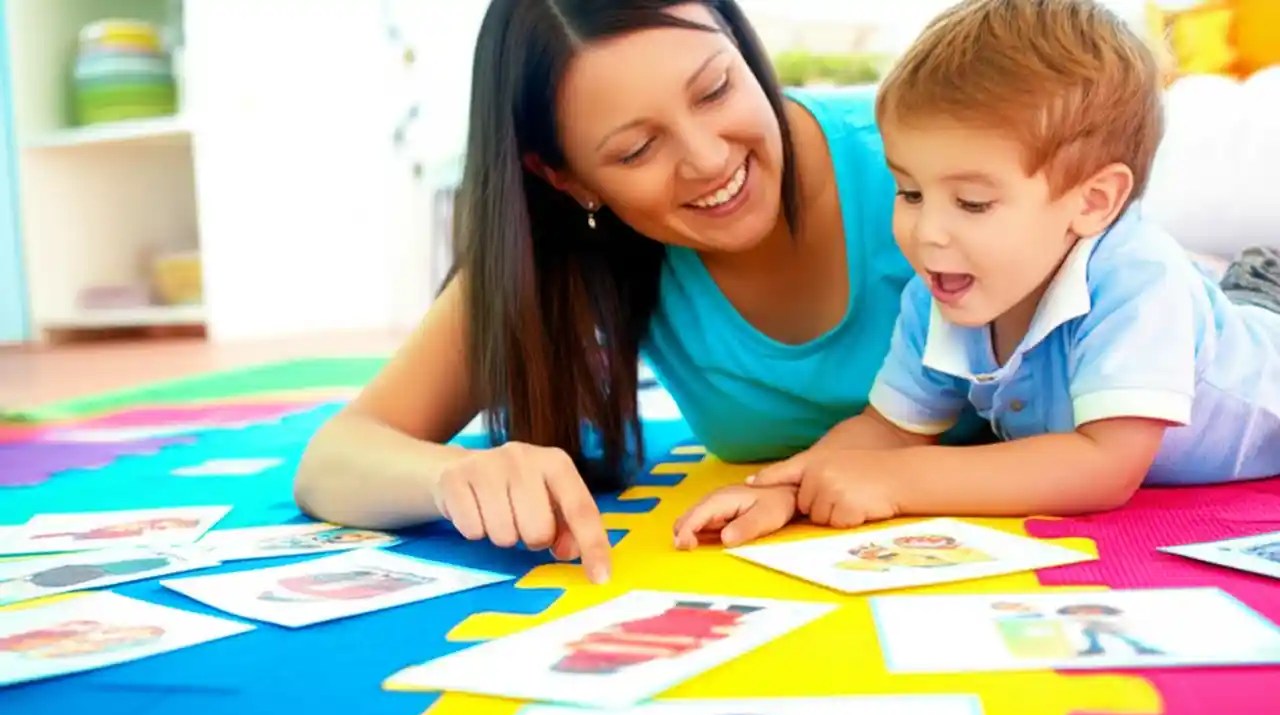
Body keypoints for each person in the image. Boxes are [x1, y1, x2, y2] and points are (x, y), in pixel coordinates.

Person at [294, 0, 984, 584]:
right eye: (635, 151)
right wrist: (453, 477)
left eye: (715, 90)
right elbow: (336, 458)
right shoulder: (580, 250)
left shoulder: (924, 160)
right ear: (565, 178)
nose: (709, 158)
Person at [689, 0, 1280, 536]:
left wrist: (898, 483)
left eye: (972, 203)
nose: (926, 233)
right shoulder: (943, 292)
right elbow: (888, 429)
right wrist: (790, 490)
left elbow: (1104, 466)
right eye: (910, 192)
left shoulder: (1136, 279)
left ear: (1092, 202)